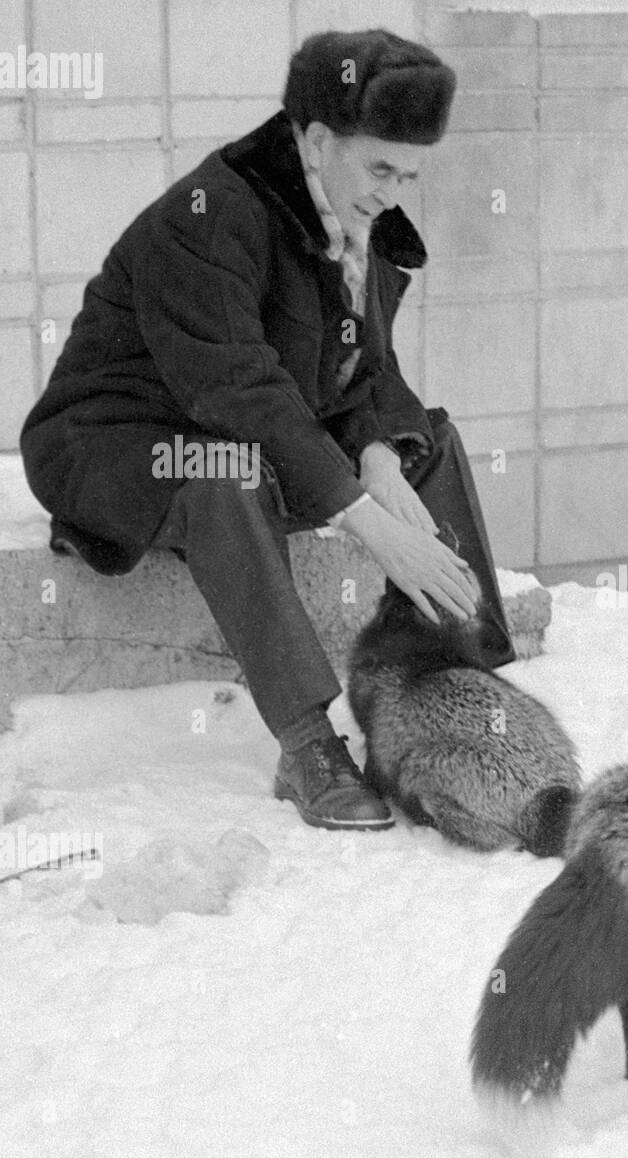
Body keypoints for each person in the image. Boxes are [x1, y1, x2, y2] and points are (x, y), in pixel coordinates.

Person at [20, 29, 516, 832]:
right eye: (380, 168)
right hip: (115, 444)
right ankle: (308, 746)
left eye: (409, 174)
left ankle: (470, 675)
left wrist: (381, 458)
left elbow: (362, 373)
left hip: (246, 431)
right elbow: (239, 389)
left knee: (428, 441)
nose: (392, 192)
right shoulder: (208, 215)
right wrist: (365, 522)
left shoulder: (357, 216)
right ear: (319, 141)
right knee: (226, 471)